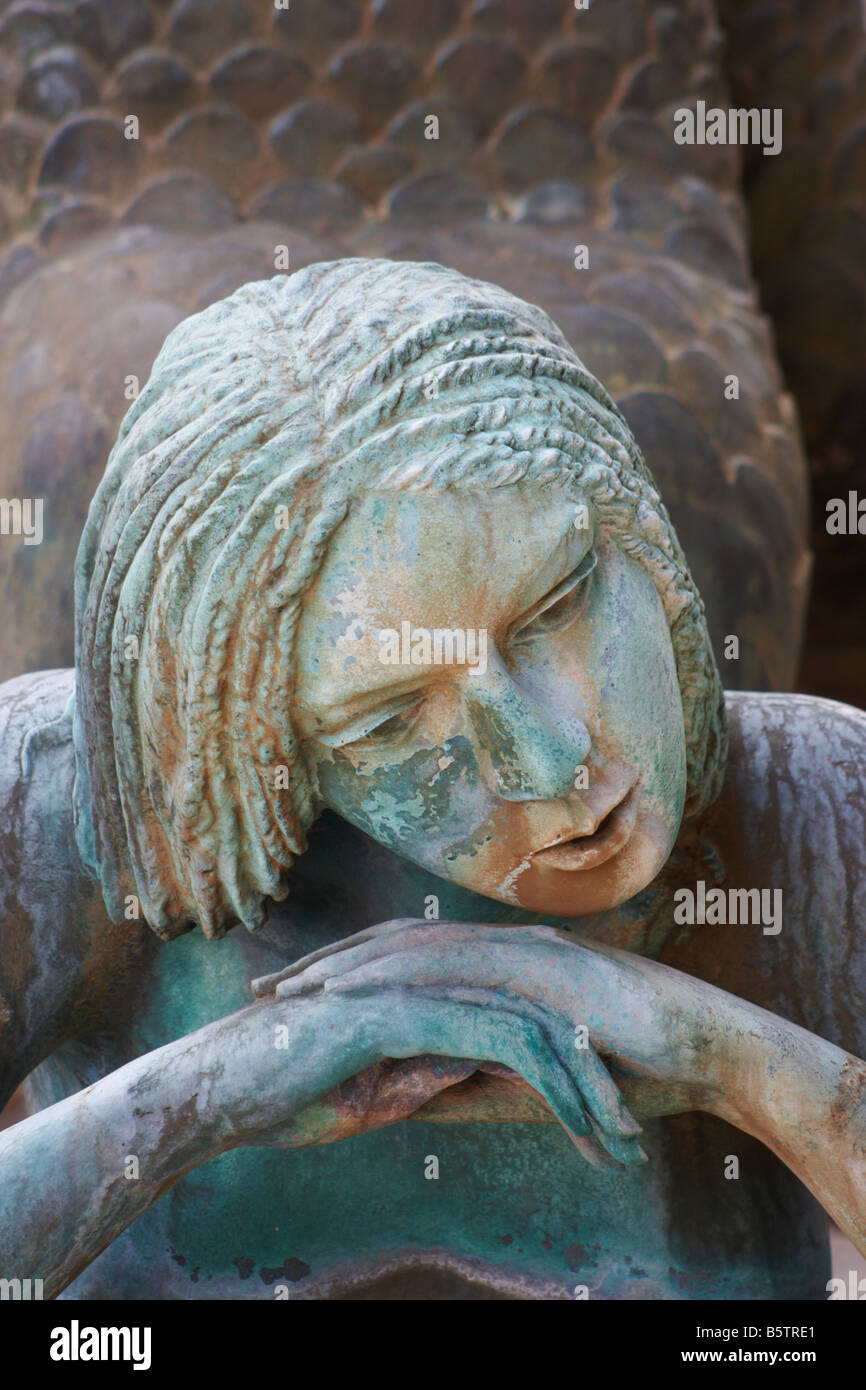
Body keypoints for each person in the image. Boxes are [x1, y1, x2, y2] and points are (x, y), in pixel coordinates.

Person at [1, 260, 863, 1300]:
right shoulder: (58, 809)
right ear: (262, 745)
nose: (550, 761)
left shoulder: (813, 801)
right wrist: (206, 1095)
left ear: (636, 528)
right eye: (391, 719)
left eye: (554, 606)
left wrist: (728, 1060)